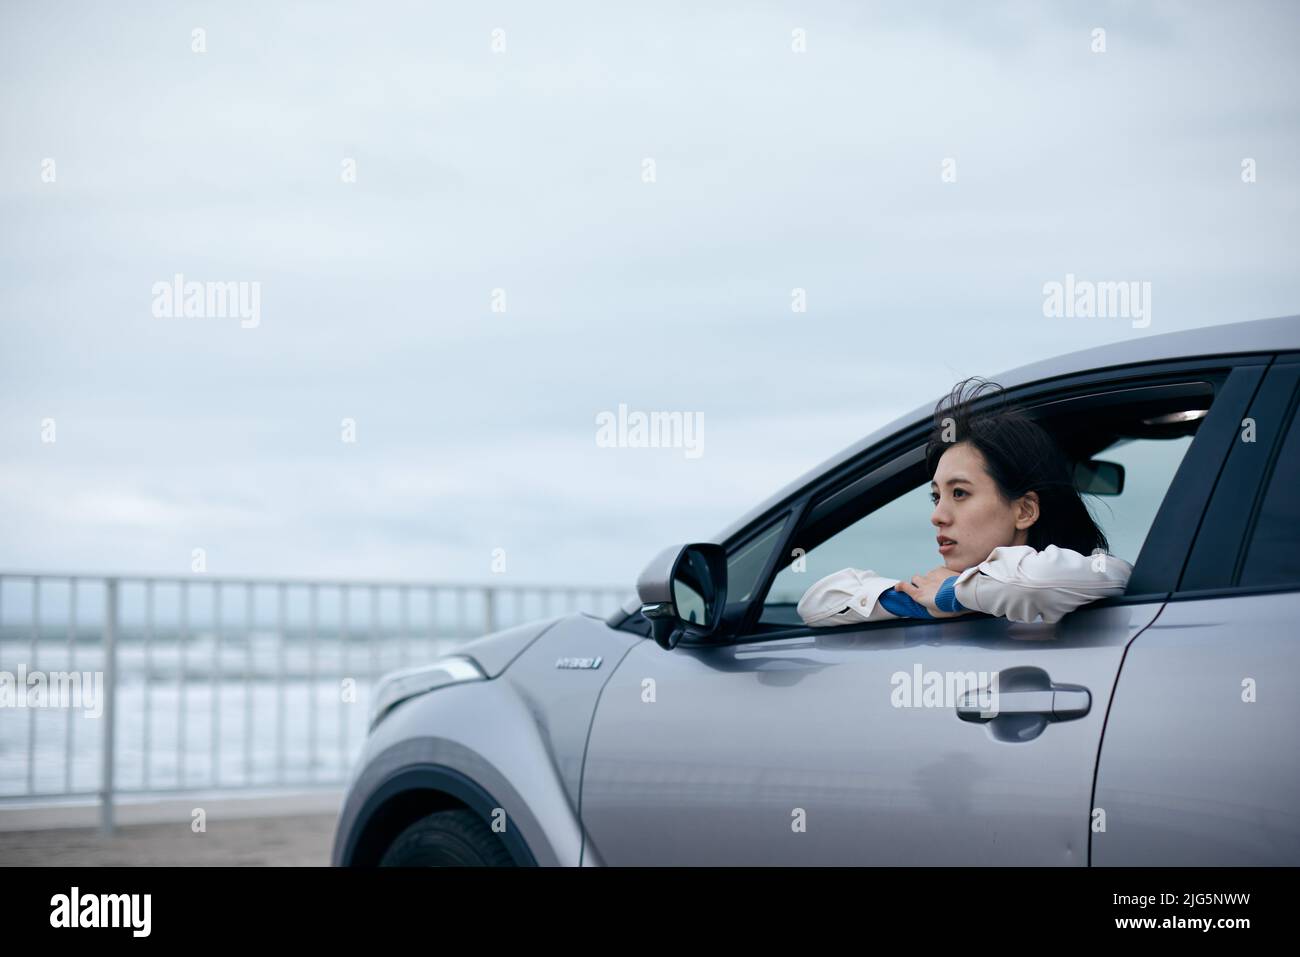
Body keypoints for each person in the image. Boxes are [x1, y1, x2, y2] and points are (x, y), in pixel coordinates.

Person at [797, 378, 1132, 626]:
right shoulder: (950, 590)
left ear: (1025, 510)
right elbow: (817, 603)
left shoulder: (1096, 574)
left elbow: (1034, 583)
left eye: (960, 493)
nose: (938, 516)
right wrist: (918, 601)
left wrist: (952, 593)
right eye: (936, 496)